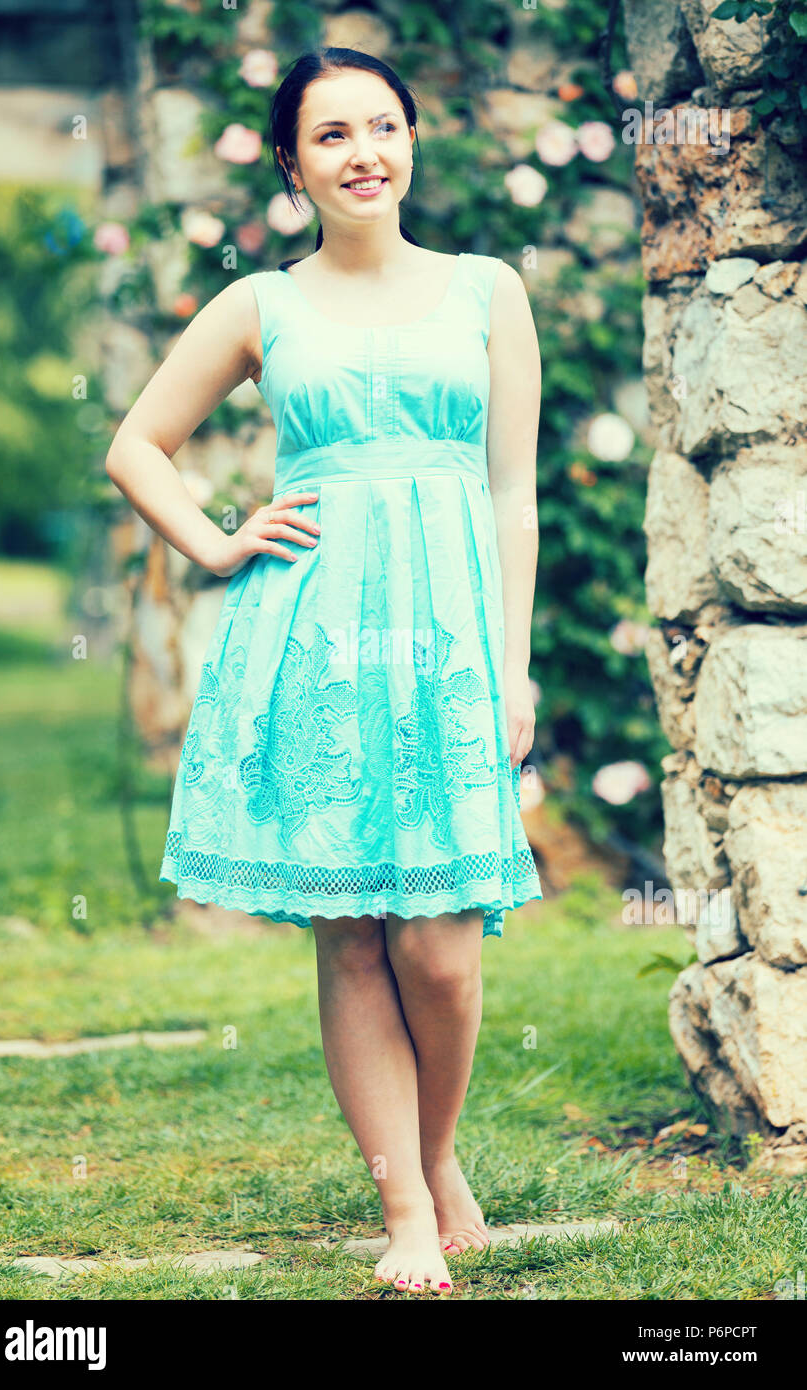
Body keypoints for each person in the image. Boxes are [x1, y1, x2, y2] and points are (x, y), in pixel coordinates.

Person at [106, 46, 543, 1297]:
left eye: (385, 127)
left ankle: (438, 1152)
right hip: (313, 636)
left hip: (451, 640)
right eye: (333, 135)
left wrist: (509, 669)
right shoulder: (263, 306)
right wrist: (218, 541)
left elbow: (511, 496)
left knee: (445, 948)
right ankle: (406, 1205)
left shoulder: (485, 290)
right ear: (291, 164)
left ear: (412, 142)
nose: (366, 153)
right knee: (353, 936)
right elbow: (139, 444)